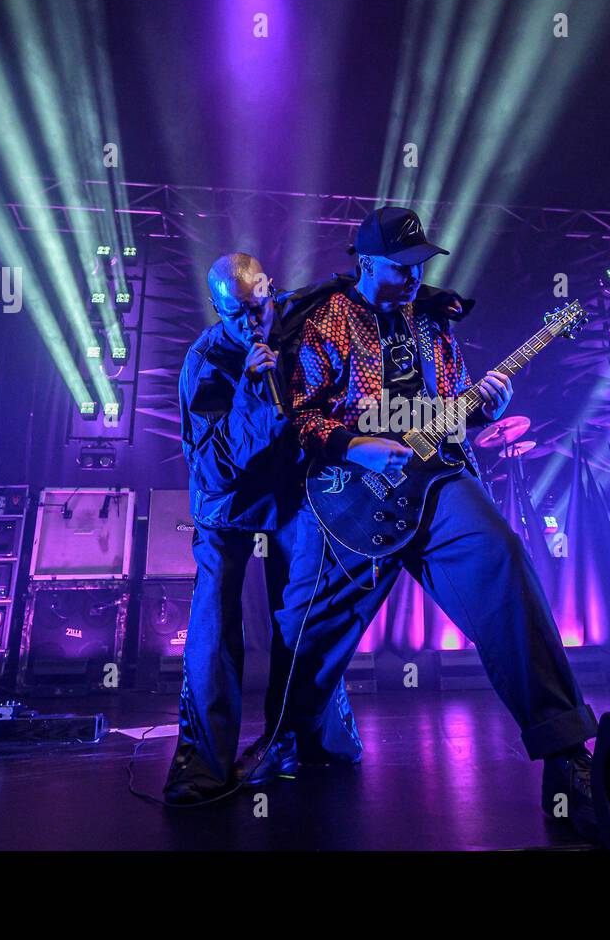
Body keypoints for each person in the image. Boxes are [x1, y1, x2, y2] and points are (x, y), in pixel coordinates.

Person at [242, 208, 600, 838]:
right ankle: (288, 739)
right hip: (352, 490)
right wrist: (356, 446)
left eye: (420, 265)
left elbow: (452, 410)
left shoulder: (432, 320)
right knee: (305, 624)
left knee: (504, 558)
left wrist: (487, 407)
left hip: (435, 482)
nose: (413, 276)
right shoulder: (329, 320)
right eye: (401, 265)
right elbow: (301, 416)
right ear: (367, 261)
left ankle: (565, 753)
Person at [164, 253, 359, 806]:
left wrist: (427, 295)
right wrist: (252, 394)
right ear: (218, 310)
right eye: (237, 314)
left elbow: (342, 284)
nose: (253, 323)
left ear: (271, 291)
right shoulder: (205, 363)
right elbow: (219, 465)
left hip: (288, 495)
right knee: (214, 621)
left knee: (306, 613)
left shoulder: (285, 311)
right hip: (226, 502)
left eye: (259, 307)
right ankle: (201, 761)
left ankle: (309, 735)